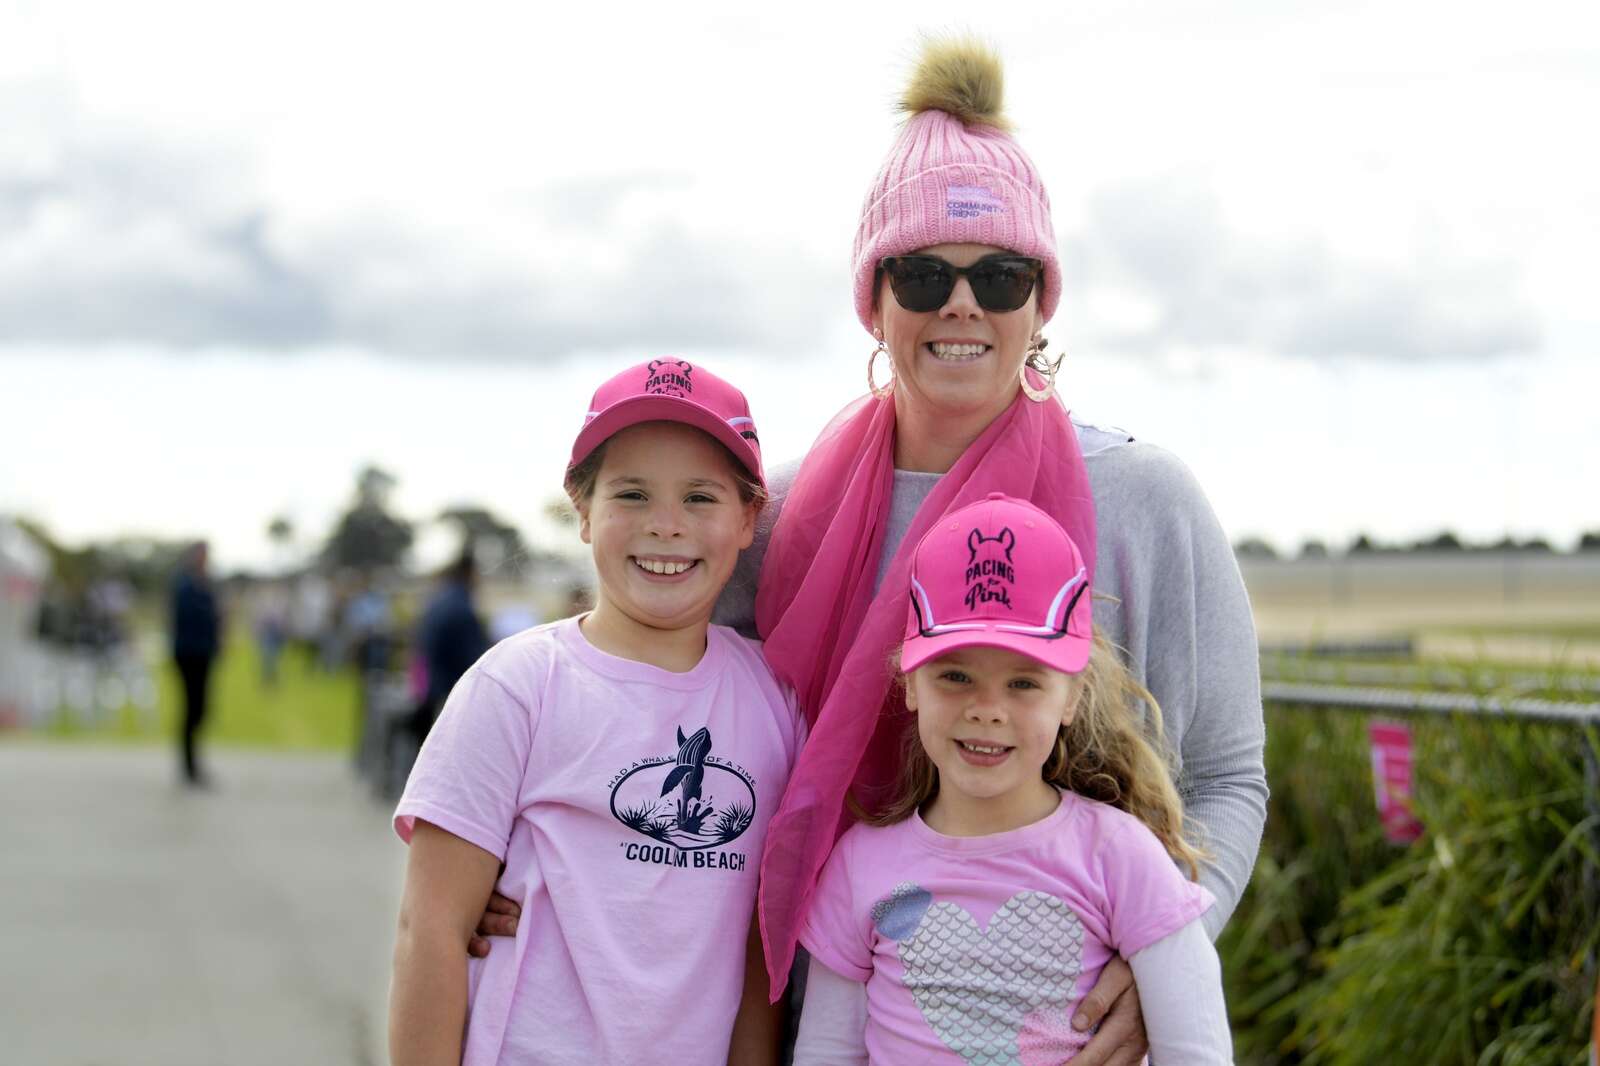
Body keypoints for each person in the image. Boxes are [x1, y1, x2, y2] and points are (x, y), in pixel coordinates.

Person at [474, 37, 1266, 1062]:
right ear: (874, 299)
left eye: (1002, 276)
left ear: (1042, 300)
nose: (961, 304)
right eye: (923, 272)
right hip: (806, 1009)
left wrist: (1162, 968)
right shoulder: (778, 517)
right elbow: (653, 710)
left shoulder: (1146, 502)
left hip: (1068, 1034)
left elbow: (1227, 773)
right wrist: (523, 856)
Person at [388, 360, 807, 1066]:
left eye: (700, 498)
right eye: (632, 494)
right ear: (583, 511)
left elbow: (758, 956)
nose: (665, 525)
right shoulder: (518, 687)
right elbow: (429, 931)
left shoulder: (776, 699)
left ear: (748, 519)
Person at [791, 495, 1232, 1064]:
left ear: (1071, 696)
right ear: (910, 682)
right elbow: (827, 1050)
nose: (987, 710)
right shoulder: (860, 865)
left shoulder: (1119, 856)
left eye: (1023, 684)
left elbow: (1196, 1050)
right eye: (955, 676)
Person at [411, 550, 490, 743]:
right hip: (445, 692)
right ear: (469, 573)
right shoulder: (461, 608)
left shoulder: (438, 600)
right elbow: (473, 660)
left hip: (428, 685)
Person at [170, 540, 220, 787]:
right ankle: (189, 766)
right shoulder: (185, 583)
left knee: (200, 709)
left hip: (203, 652)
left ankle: (193, 763)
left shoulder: (205, 582)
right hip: (189, 652)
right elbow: (189, 614)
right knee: (192, 708)